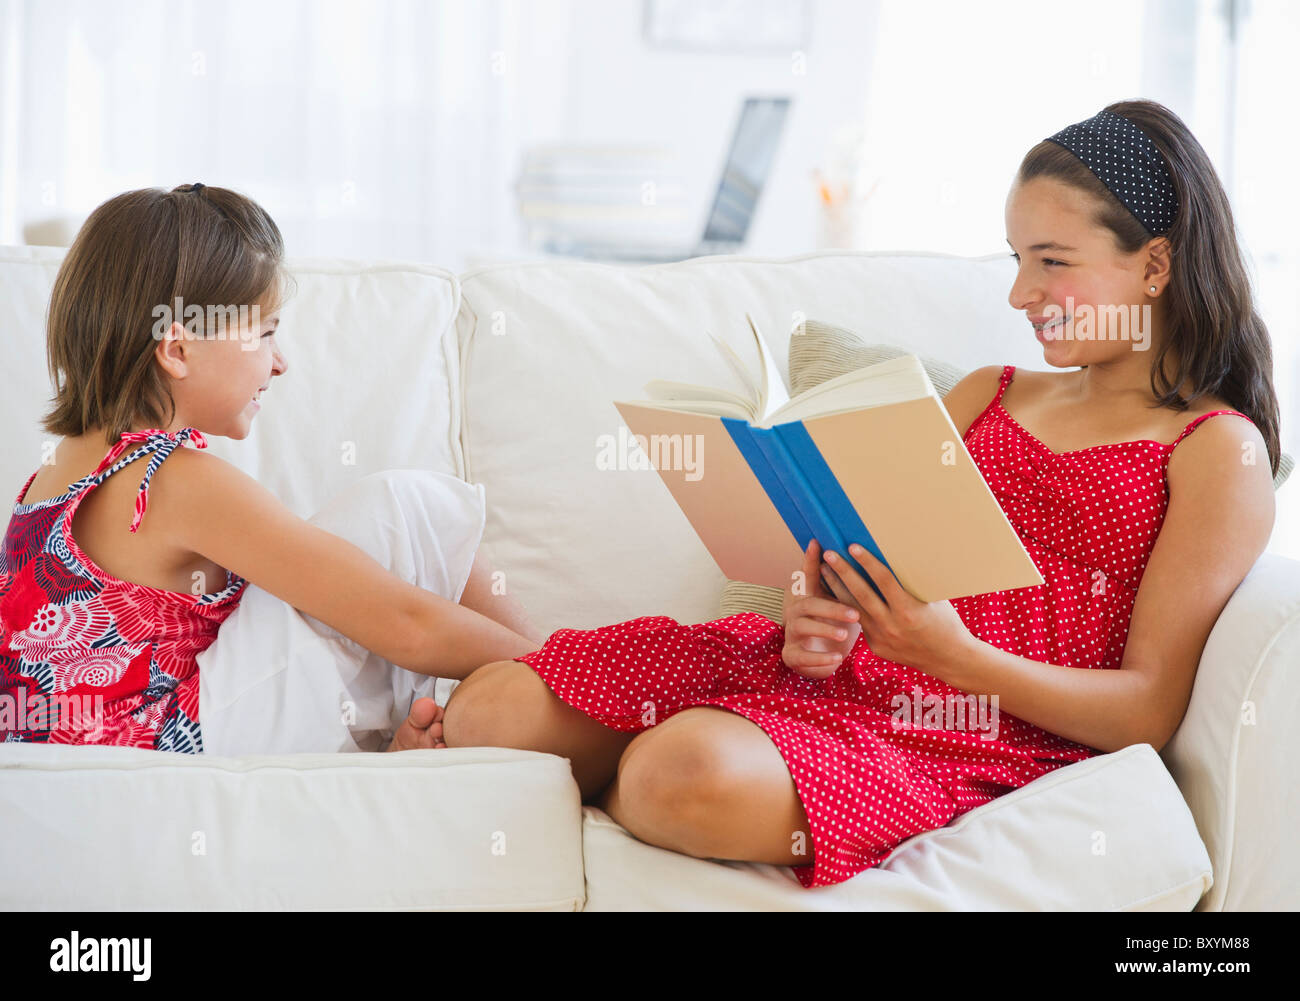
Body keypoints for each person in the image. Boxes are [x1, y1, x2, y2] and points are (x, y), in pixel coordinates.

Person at [408, 99, 1281, 889]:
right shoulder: (990, 390)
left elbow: (1149, 705)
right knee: (493, 705)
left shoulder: (1214, 452)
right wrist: (816, 611)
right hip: (820, 677)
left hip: (965, 727)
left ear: (1155, 265)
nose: (1022, 295)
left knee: (676, 778)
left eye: (1053, 262)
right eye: (1018, 260)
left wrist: (953, 659)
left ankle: (637, 764)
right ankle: (623, 751)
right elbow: (861, 552)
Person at [0, 183, 541, 753]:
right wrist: (563, 665)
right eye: (265, 333)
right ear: (177, 351)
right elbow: (404, 622)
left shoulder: (53, 476)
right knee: (407, 510)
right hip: (160, 760)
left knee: (347, 567)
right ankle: (566, 681)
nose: (279, 363)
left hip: (81, 758)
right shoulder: (174, 482)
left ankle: (409, 742)